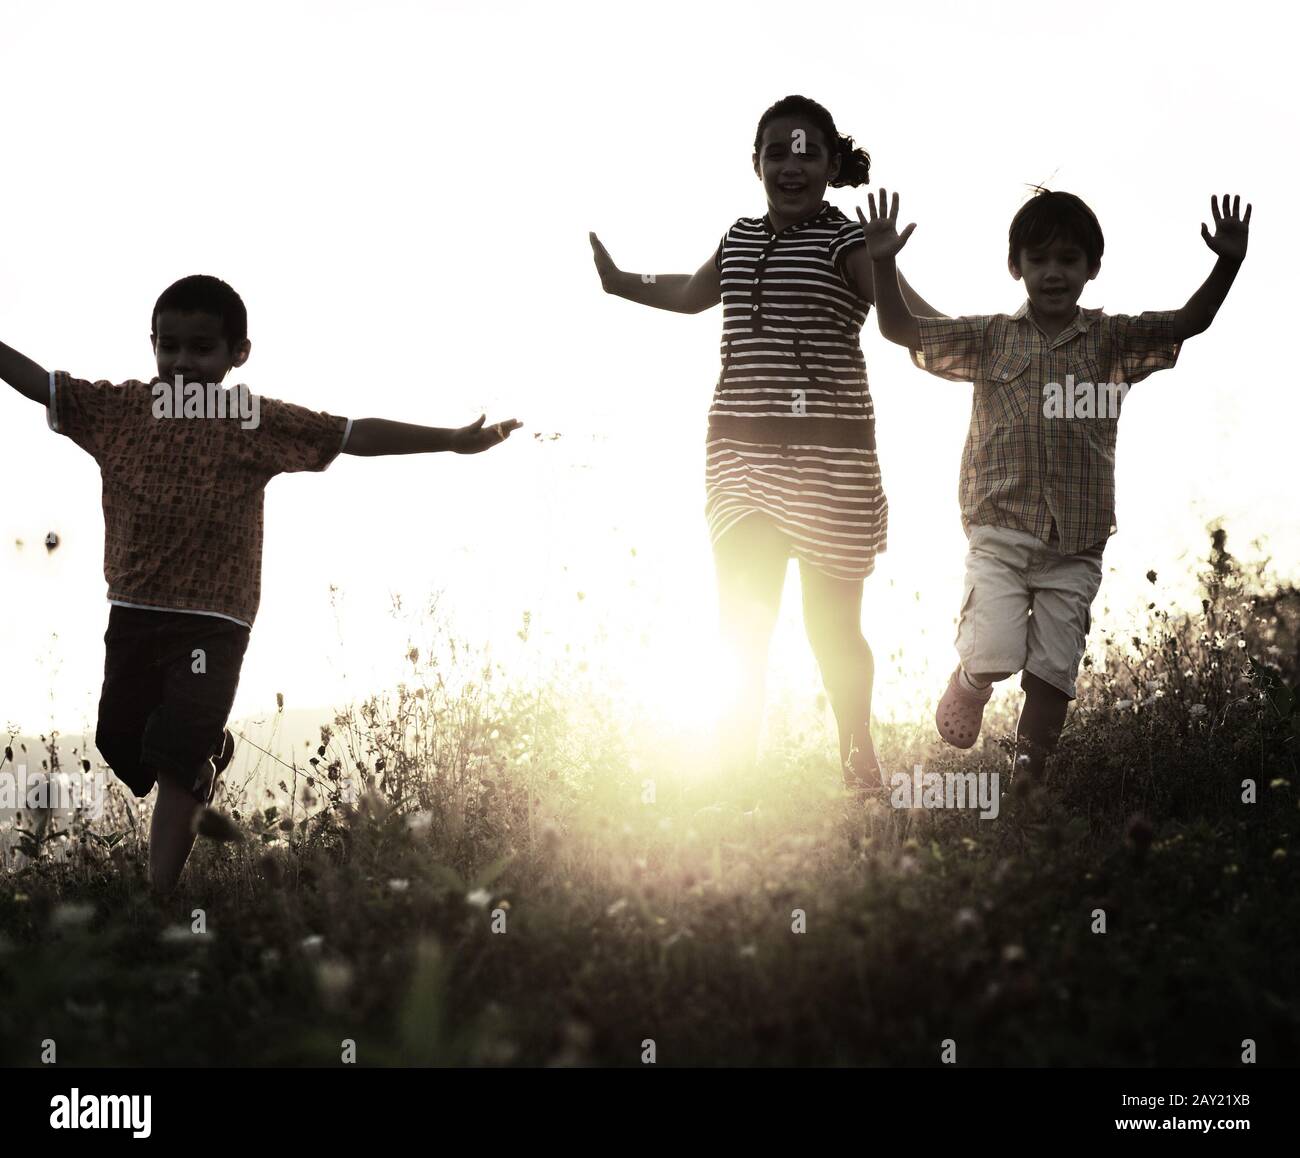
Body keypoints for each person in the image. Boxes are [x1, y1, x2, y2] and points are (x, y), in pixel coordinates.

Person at [0, 274, 521, 892]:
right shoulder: (119, 411)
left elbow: (354, 434)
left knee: (176, 756)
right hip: (135, 611)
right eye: (169, 347)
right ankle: (203, 758)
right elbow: (40, 384)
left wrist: (451, 442)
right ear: (152, 345)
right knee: (119, 738)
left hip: (215, 621)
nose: (183, 363)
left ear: (236, 354)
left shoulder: (255, 421)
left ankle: (159, 891)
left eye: (201, 348)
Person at [590, 95, 944, 799]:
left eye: (808, 152)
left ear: (832, 165)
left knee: (832, 629)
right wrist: (620, 280)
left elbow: (909, 326)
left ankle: (857, 757)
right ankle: (732, 781)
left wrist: (991, 343)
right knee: (742, 625)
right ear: (755, 163)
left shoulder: (846, 243)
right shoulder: (742, 238)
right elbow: (693, 293)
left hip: (831, 466)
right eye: (777, 152)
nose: (792, 164)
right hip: (739, 460)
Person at [860, 186, 1251, 782]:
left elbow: (1187, 323)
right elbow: (902, 331)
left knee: (1052, 668)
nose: (1053, 273)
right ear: (1015, 266)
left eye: (1069, 260)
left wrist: (1227, 262)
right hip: (1000, 533)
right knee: (994, 649)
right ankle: (970, 682)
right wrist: (884, 263)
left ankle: (1029, 768)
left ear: (1093, 268)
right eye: (1038, 259)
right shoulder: (991, 338)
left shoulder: (1111, 341)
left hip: (1076, 542)